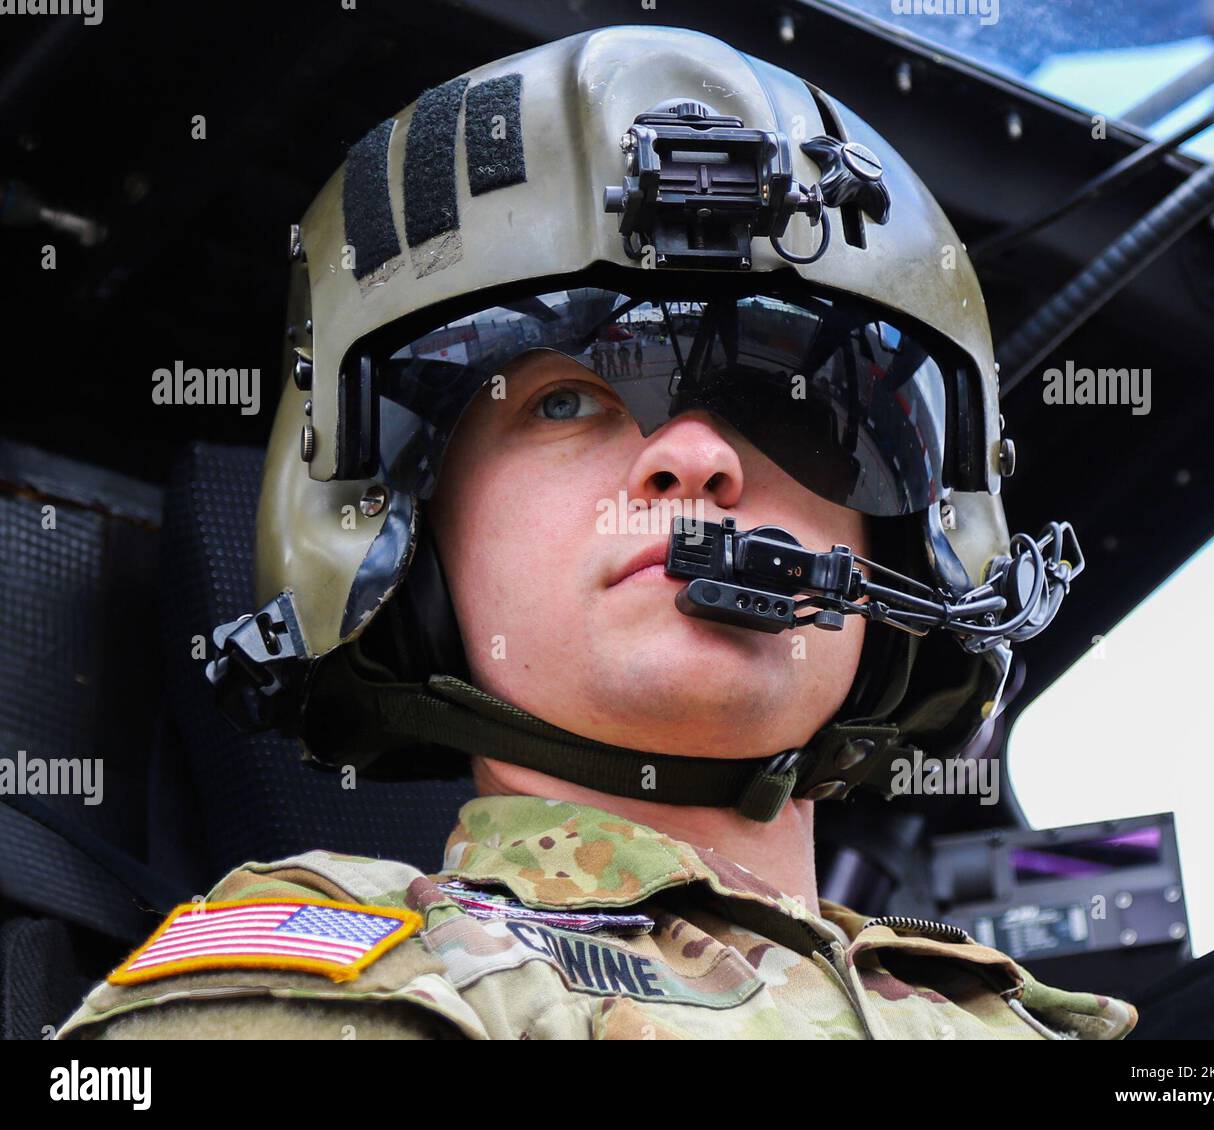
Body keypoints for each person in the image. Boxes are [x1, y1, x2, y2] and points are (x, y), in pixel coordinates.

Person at [55, 24, 1136, 1040]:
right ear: (407, 541)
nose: (698, 455)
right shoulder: (327, 989)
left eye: (791, 403)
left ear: (907, 545)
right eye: (565, 399)